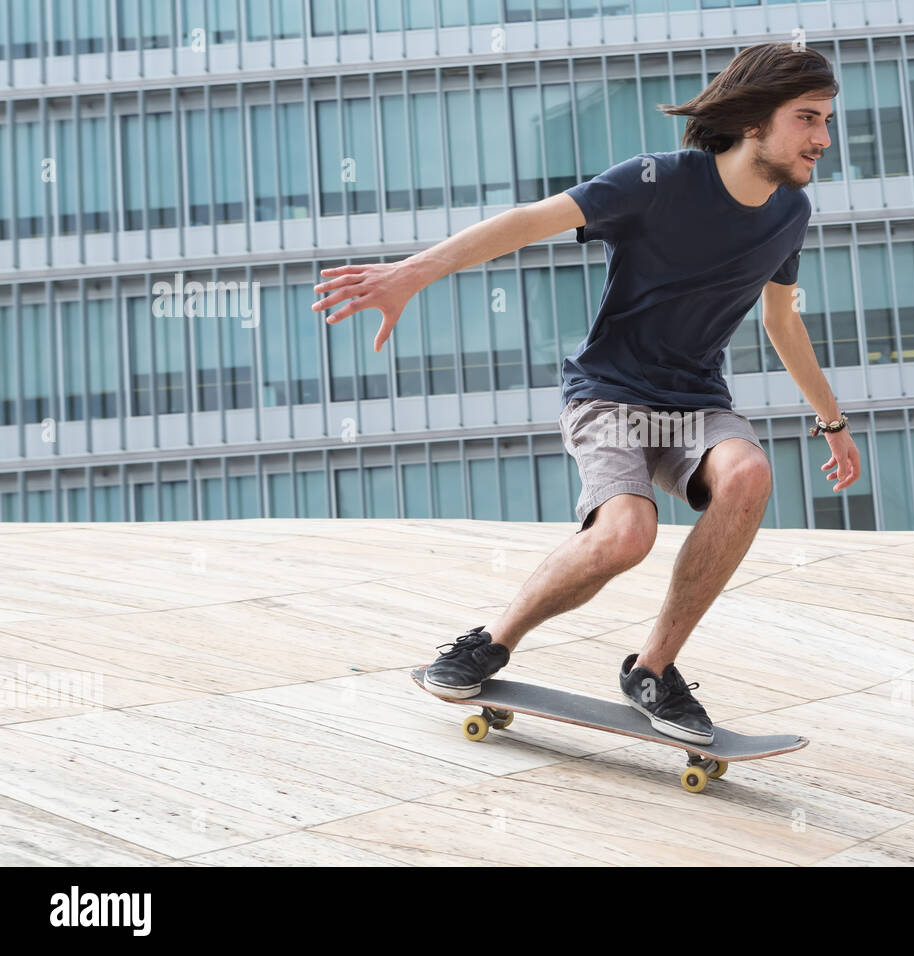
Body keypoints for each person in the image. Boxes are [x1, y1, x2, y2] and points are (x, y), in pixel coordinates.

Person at [311, 41, 861, 745]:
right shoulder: (657, 180)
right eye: (808, 119)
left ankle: (653, 672)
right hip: (608, 394)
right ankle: (490, 640)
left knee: (749, 472)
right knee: (626, 534)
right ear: (756, 120)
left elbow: (782, 319)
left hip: (694, 404)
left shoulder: (791, 212)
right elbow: (528, 220)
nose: (823, 138)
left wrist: (831, 422)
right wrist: (413, 273)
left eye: (826, 120)